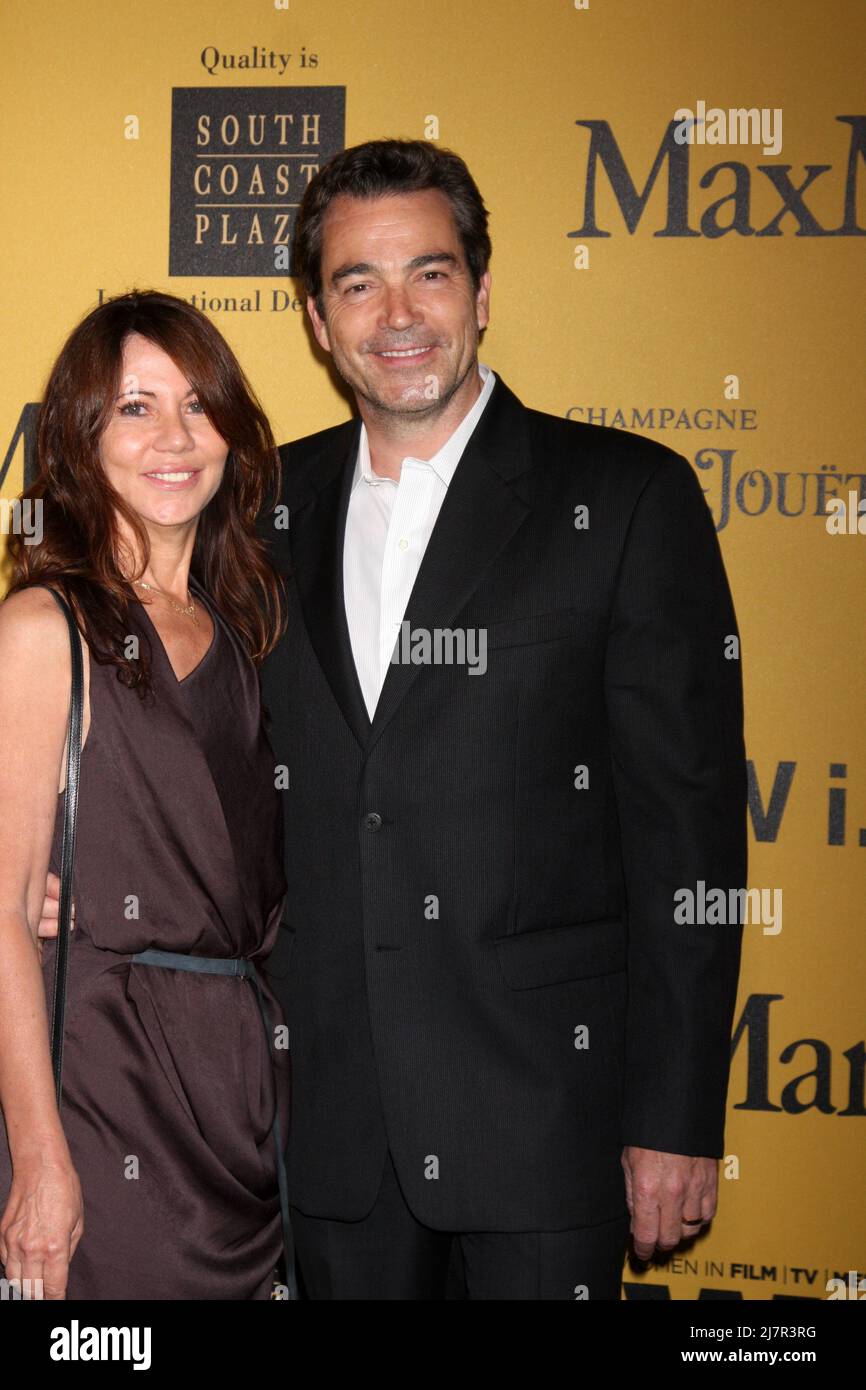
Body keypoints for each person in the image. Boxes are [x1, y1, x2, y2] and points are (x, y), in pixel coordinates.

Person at [0, 290, 293, 1300]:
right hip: (100, 1082)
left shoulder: (239, 635)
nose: (174, 437)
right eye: (134, 407)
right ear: (82, 438)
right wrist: (39, 1158)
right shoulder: (45, 629)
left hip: (236, 1101)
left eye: (197, 406)